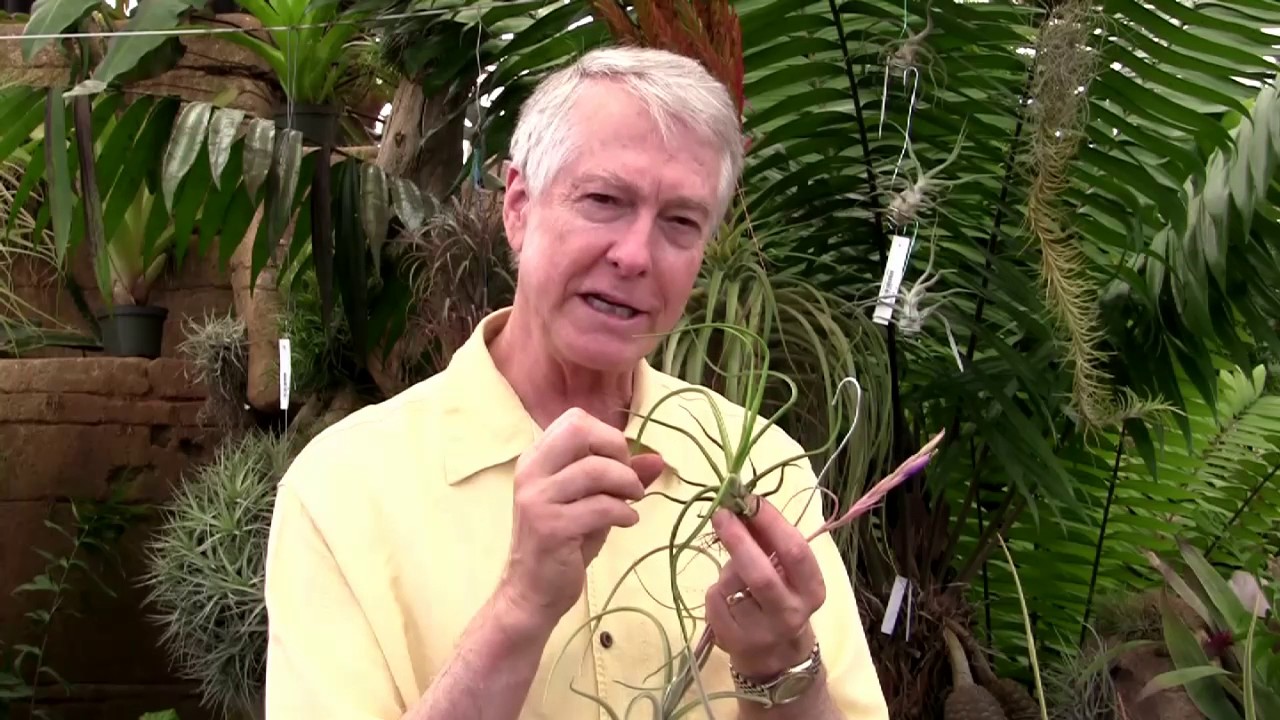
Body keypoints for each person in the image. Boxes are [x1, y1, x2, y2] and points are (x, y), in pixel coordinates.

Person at [262, 45, 889, 720]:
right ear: (519, 207)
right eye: (603, 200)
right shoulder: (344, 489)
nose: (635, 255)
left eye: (680, 222)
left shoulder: (762, 468)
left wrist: (781, 667)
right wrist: (520, 609)